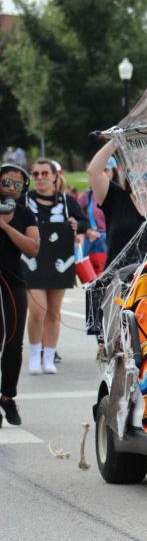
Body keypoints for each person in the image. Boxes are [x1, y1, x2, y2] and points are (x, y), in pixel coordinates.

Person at [25, 158, 86, 375]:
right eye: (36, 174)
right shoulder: (26, 199)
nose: (40, 178)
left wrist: (77, 226)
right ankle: (35, 354)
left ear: (54, 176)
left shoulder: (67, 200)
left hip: (60, 261)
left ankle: (49, 356)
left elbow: (84, 222)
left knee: (53, 312)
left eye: (44, 173)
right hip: (32, 261)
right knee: (37, 312)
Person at [0, 163, 39, 425]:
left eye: (17, 185)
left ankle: (7, 397)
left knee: (13, 343)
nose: (11, 189)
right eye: (6, 183)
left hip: (13, 282)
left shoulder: (25, 214)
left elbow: (33, 248)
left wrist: (5, 227)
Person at [86, 141, 147, 267]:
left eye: (146, 176)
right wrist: (116, 140)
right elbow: (94, 172)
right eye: (136, 175)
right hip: (118, 281)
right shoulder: (116, 198)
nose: (141, 180)